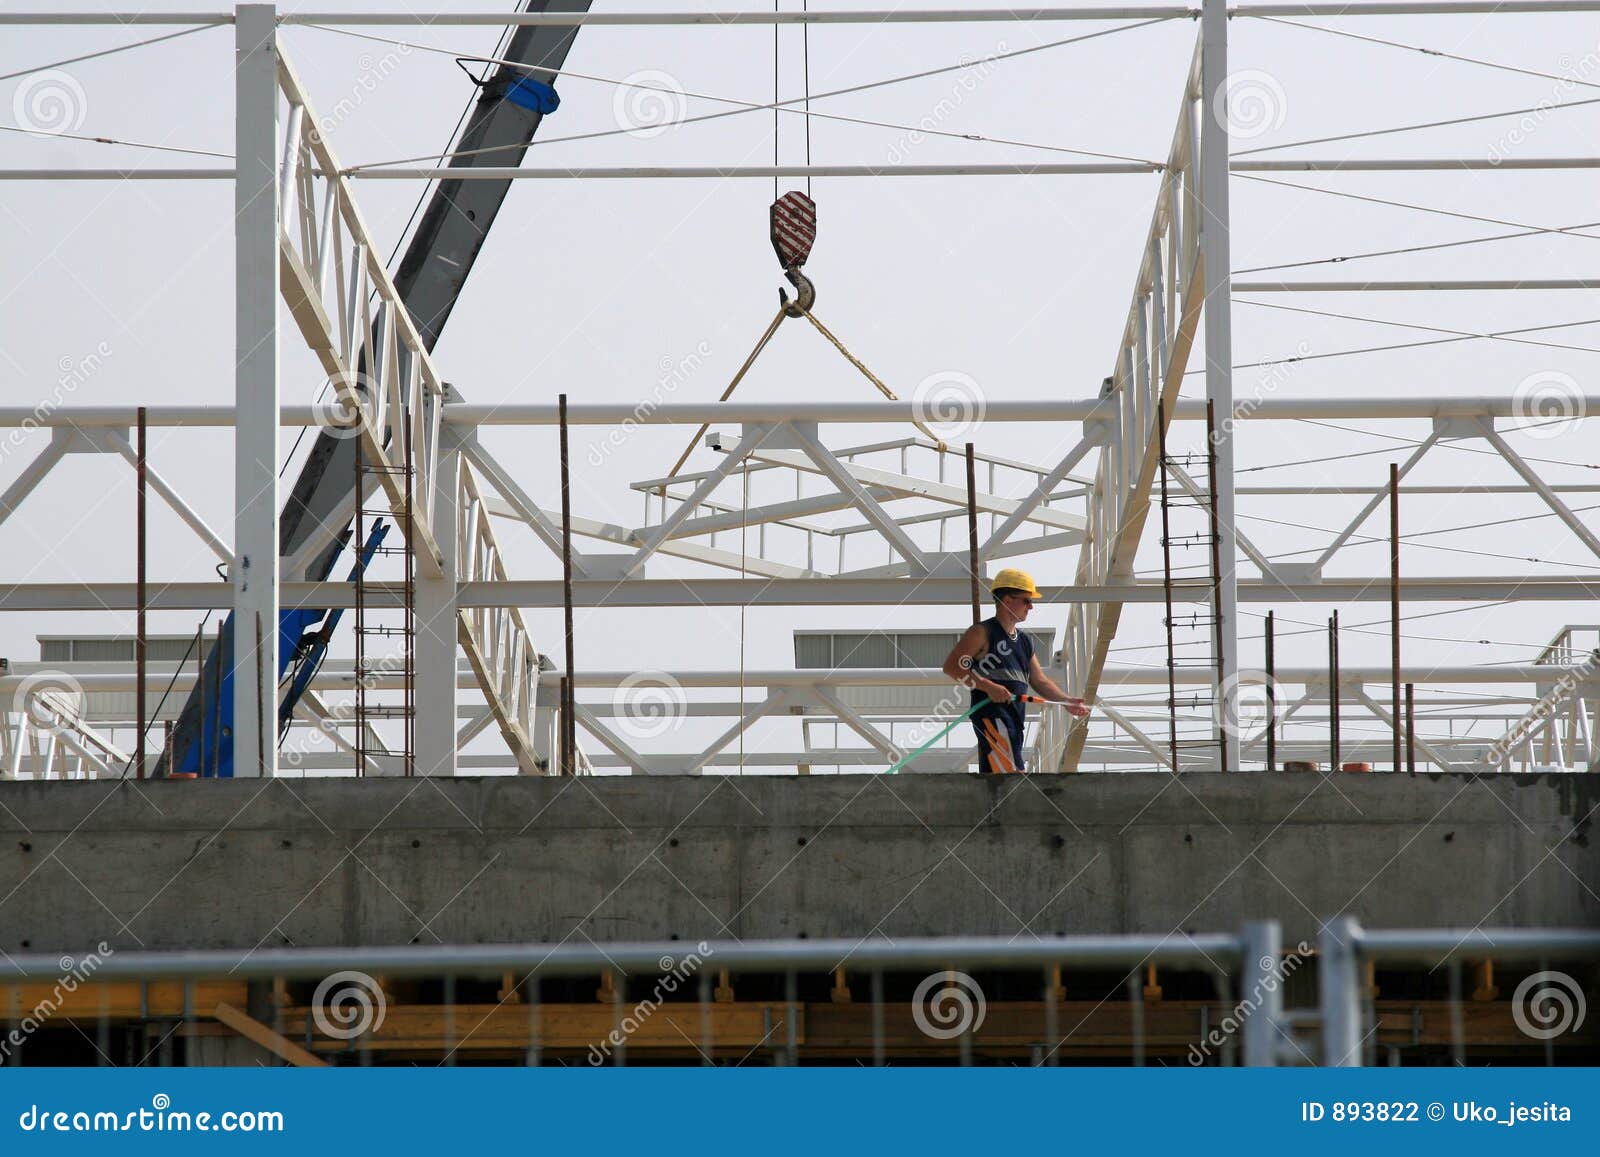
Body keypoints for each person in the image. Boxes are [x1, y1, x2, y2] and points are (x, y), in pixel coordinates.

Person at [941, 568, 1089, 774]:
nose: (1031, 607)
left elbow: (1039, 680)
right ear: (1008, 600)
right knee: (1010, 774)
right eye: (1026, 601)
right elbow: (952, 666)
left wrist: (1066, 700)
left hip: (1015, 718)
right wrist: (987, 686)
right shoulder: (982, 632)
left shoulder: (1025, 641)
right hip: (992, 715)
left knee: (997, 775)